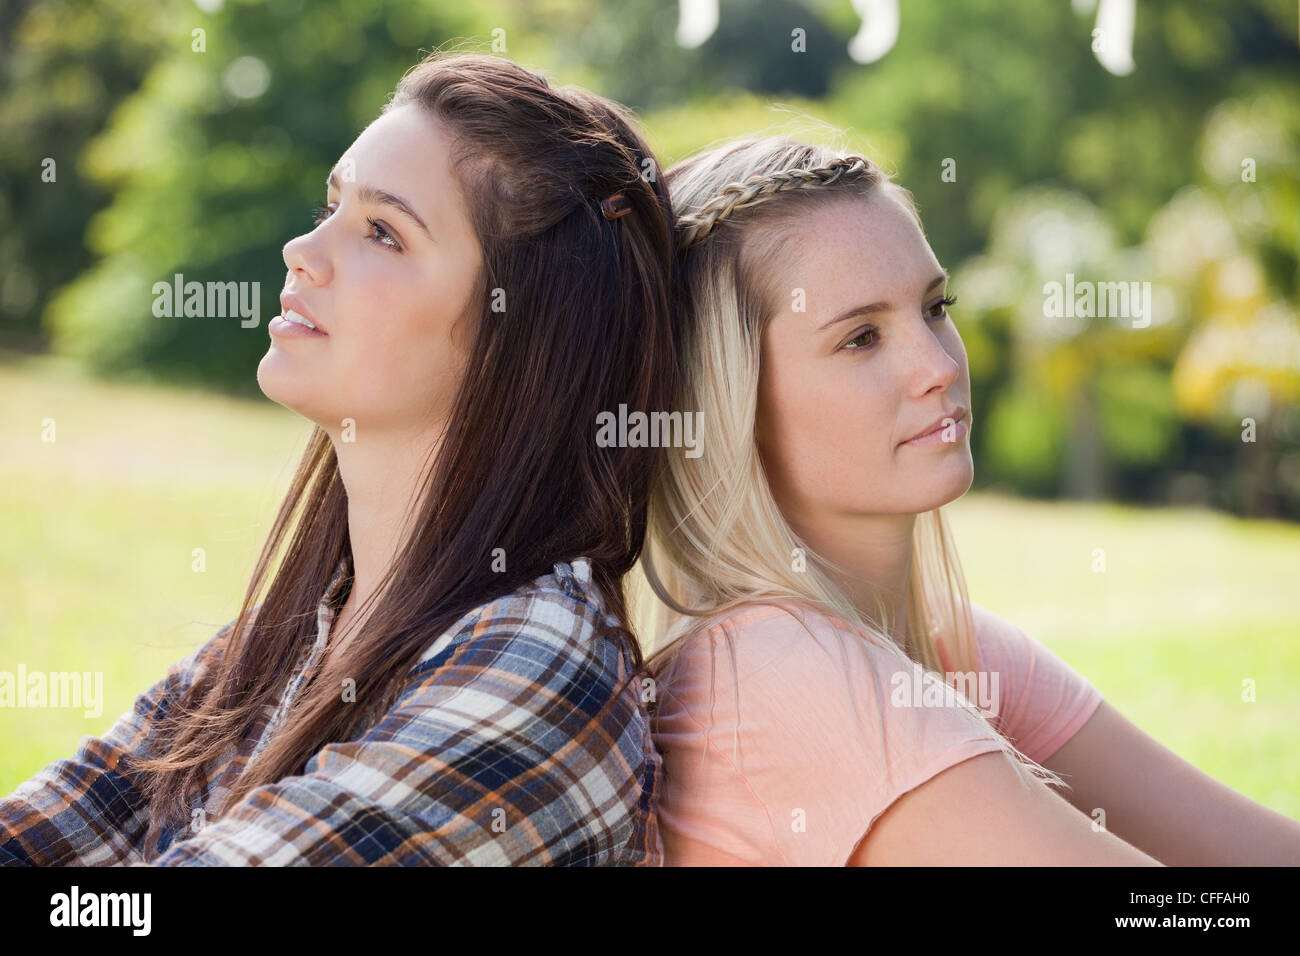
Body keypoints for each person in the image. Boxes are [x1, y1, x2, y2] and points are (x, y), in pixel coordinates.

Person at [0, 49, 676, 866]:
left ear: (519, 334)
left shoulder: (539, 665)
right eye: (331, 207)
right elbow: (71, 819)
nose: (302, 250)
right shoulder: (307, 624)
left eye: (383, 233)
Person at [631, 134, 1300, 866]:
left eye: (934, 307)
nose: (938, 365)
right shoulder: (774, 670)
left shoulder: (944, 640)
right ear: (730, 405)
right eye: (860, 338)